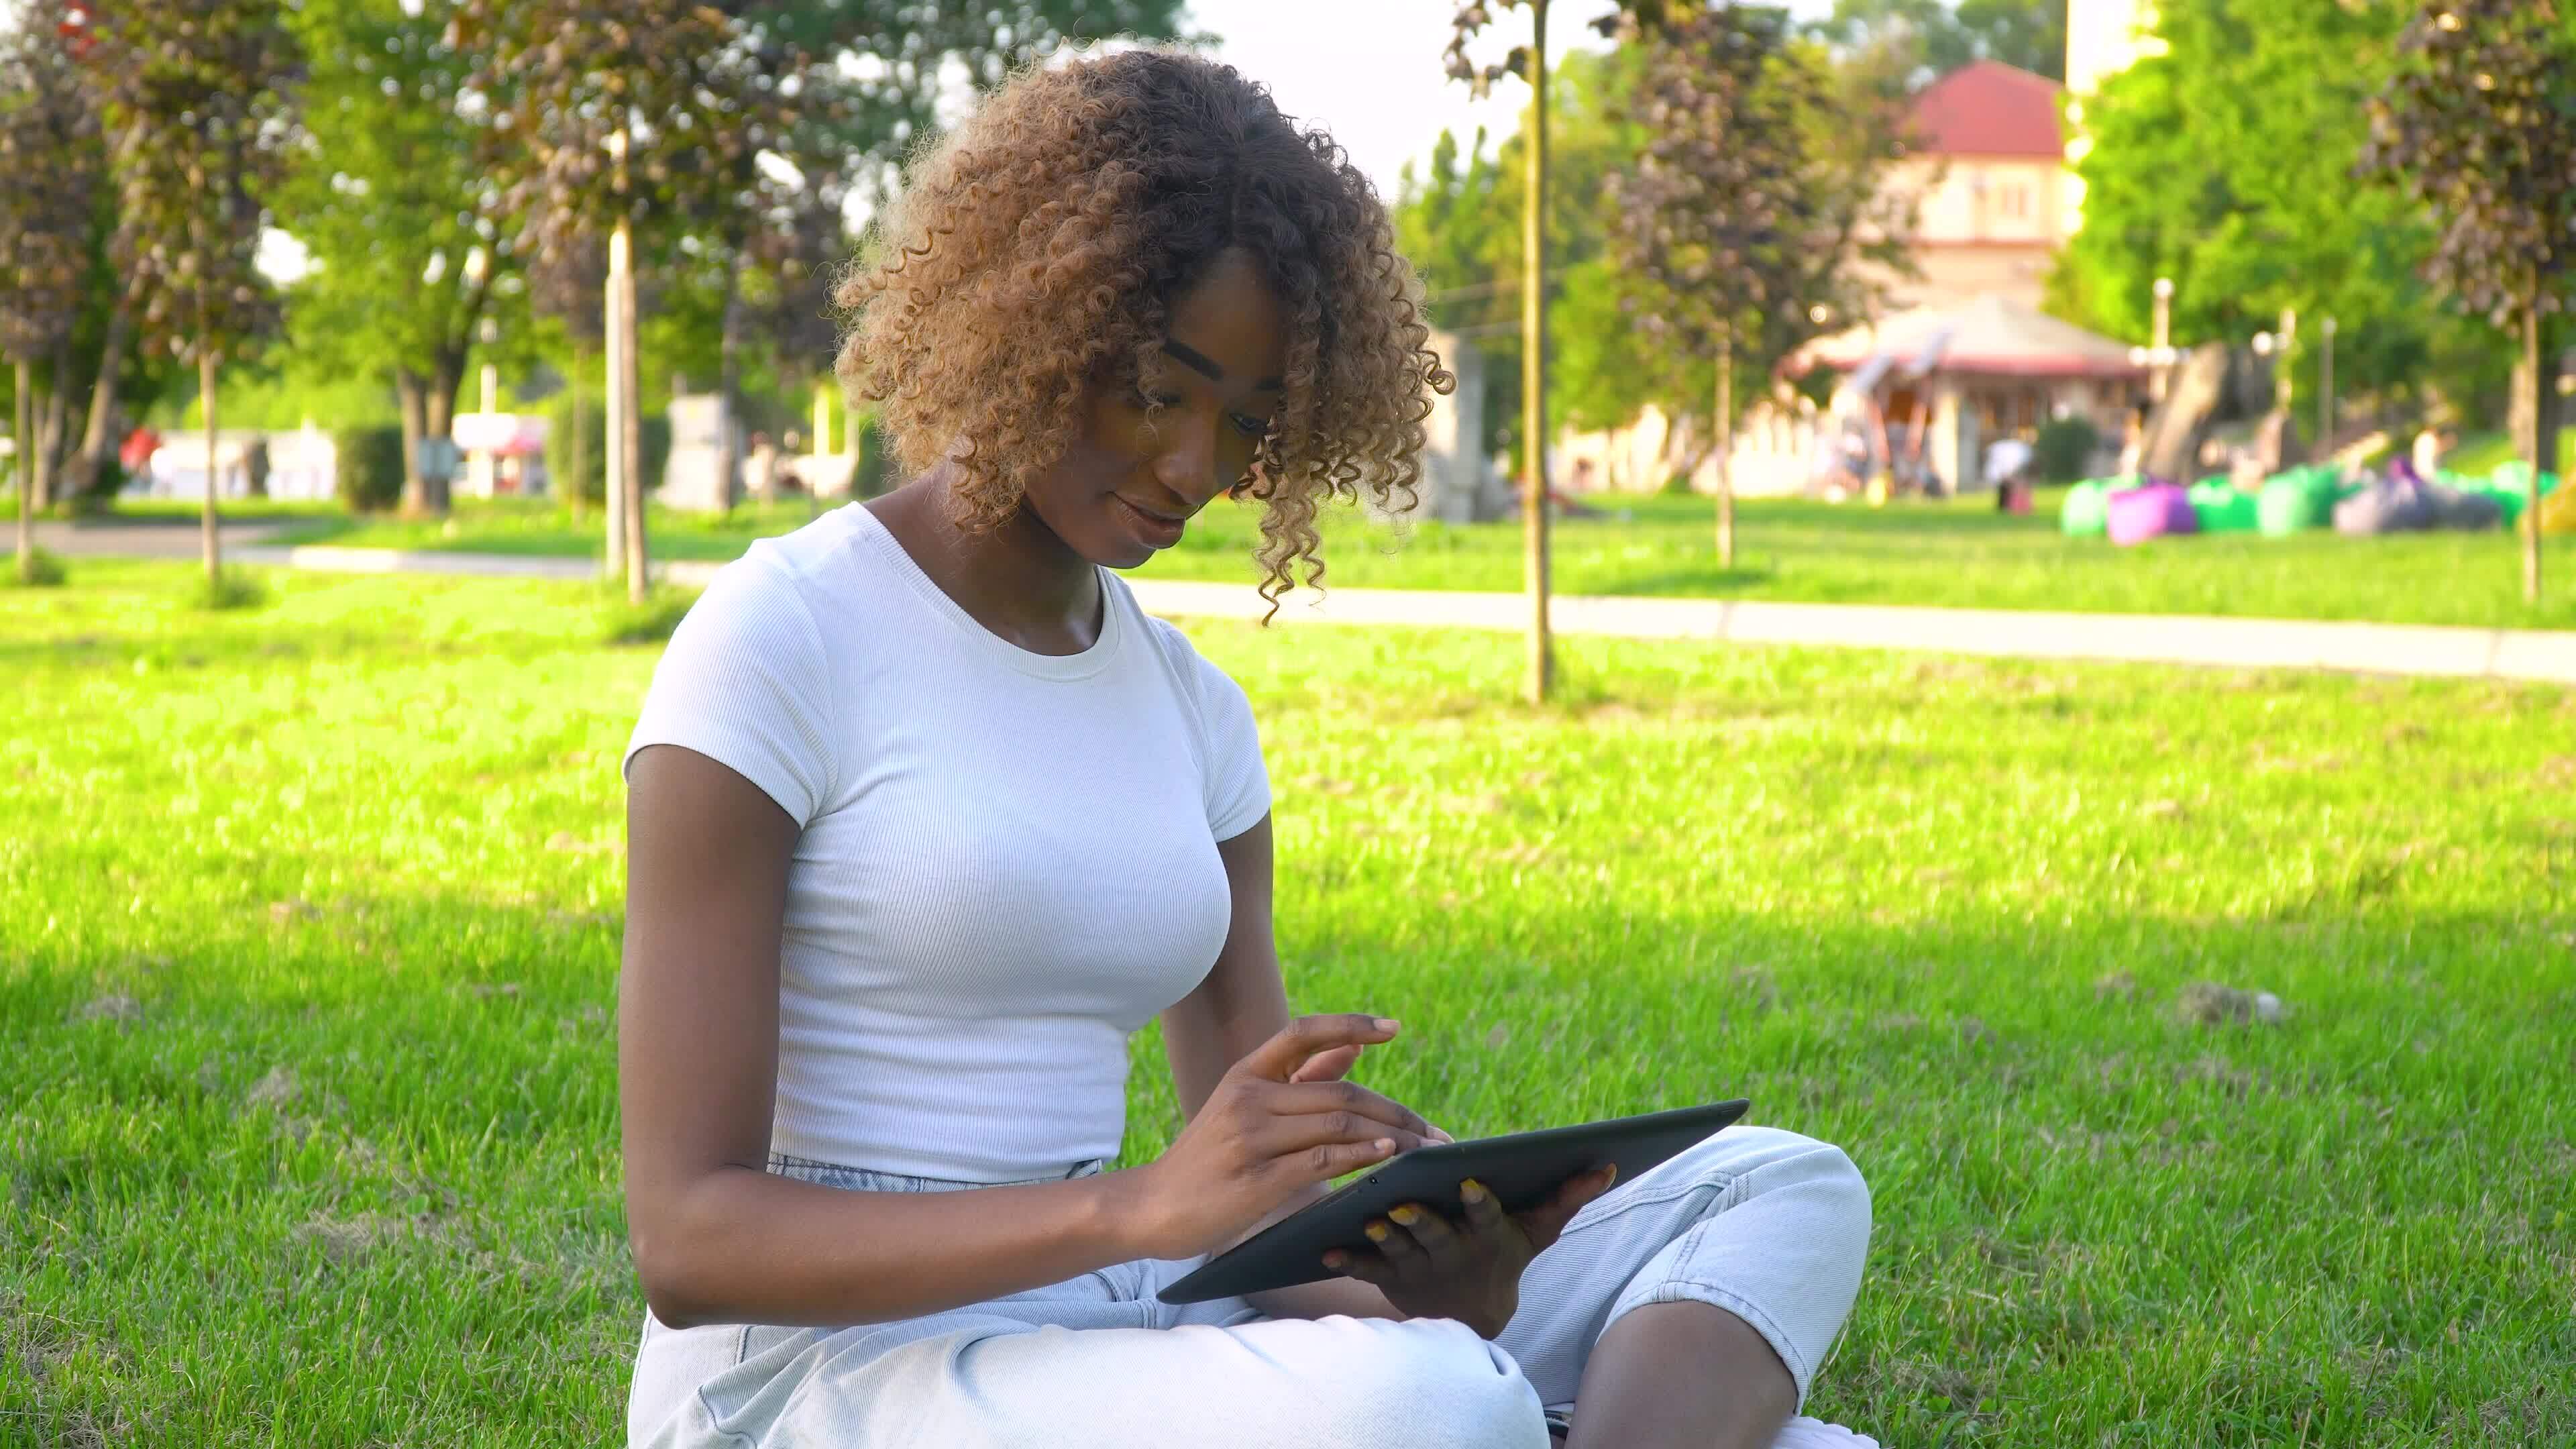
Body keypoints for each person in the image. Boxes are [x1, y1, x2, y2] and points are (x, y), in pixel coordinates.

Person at [618, 50, 1872, 1449]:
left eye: (1251, 422)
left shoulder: (1191, 708)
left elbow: (1259, 1211)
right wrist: (1143, 1210)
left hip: (1130, 1321)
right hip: (824, 1378)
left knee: (1773, 1185)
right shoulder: (782, 641)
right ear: (1035, 320)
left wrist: (1429, 1282)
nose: (1195, 468)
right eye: (1162, 391)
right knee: (1436, 1410)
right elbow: (689, 1239)